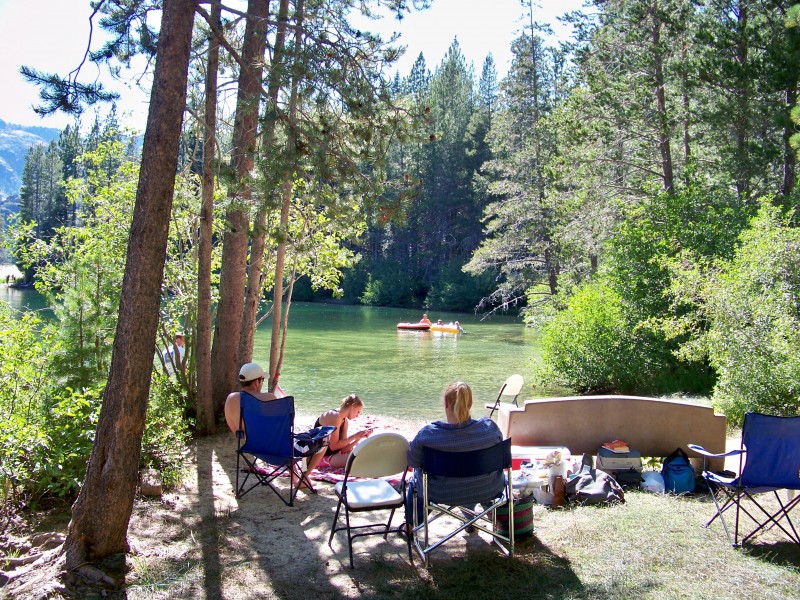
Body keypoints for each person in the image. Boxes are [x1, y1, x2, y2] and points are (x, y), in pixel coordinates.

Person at [404, 381, 504, 528]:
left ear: (445, 403)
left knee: (416, 481)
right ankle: (473, 519)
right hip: (487, 489)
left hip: (440, 493)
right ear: (470, 403)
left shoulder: (428, 435)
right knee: (478, 472)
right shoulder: (490, 429)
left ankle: (412, 527)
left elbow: (412, 462)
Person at [305, 394, 373, 472]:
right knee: (358, 460)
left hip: (332, 454)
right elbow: (334, 446)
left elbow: (343, 448)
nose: (357, 416)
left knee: (363, 457)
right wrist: (354, 436)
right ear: (353, 405)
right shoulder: (334, 416)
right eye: (358, 412)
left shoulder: (344, 421)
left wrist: (358, 438)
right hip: (319, 456)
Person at [223, 362, 277, 433]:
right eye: (262, 379)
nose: (262, 383)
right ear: (256, 382)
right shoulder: (270, 398)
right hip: (271, 443)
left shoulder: (231, 399)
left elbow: (236, 431)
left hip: (249, 444)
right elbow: (279, 425)